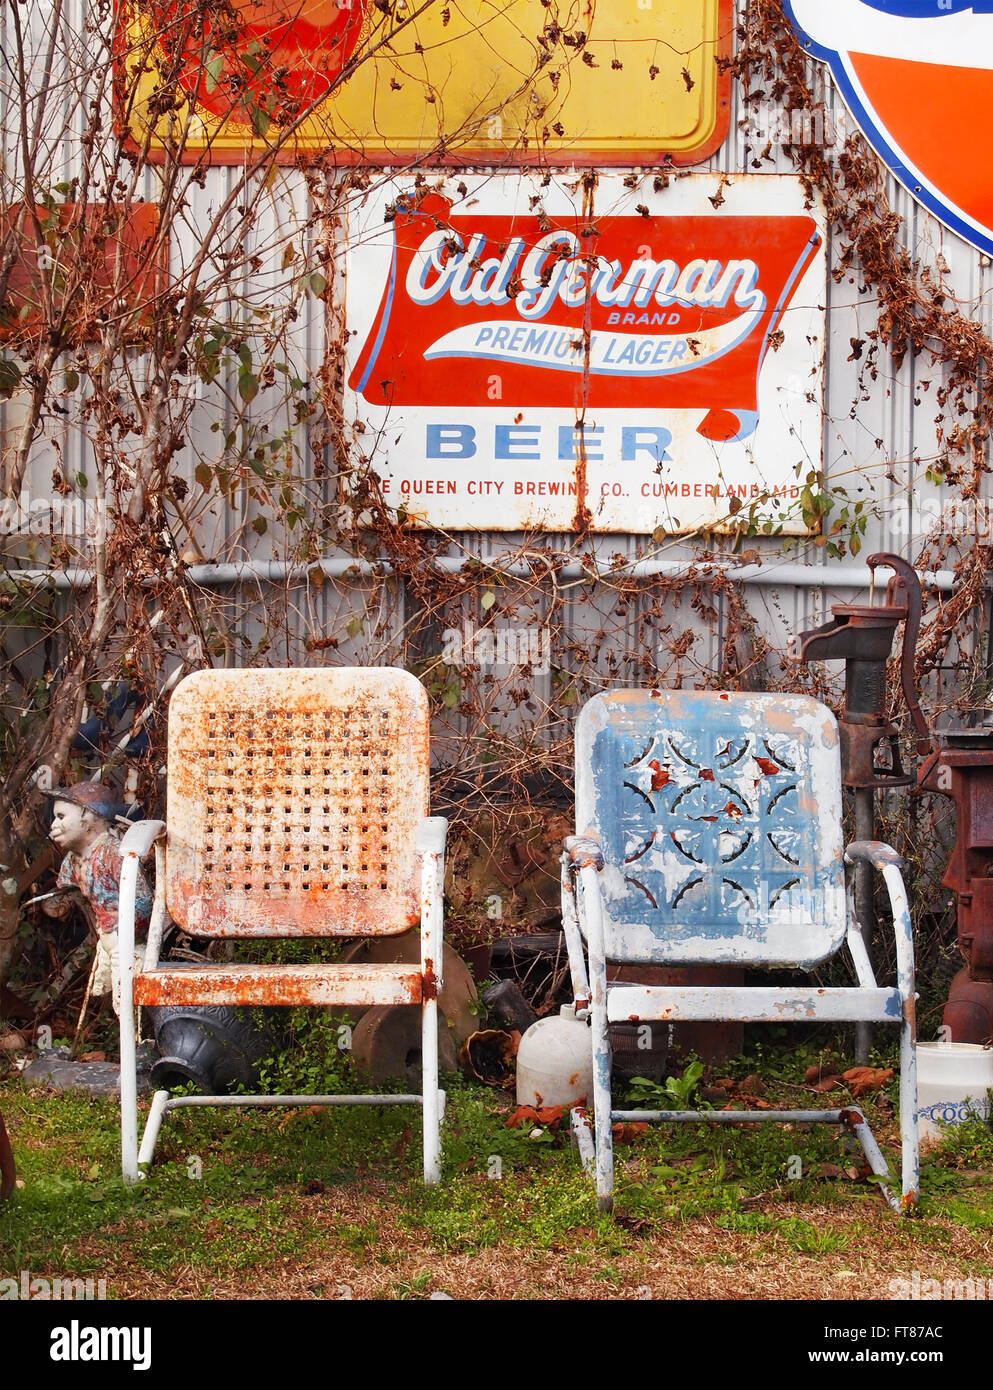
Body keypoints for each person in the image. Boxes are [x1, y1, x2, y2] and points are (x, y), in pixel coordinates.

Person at [43, 782, 152, 1016]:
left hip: (126, 940)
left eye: (61, 816)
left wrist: (125, 932)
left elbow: (142, 899)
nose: (54, 826)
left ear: (88, 817)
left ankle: (139, 1043)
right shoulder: (74, 859)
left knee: (129, 997)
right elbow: (64, 893)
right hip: (106, 937)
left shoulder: (113, 853)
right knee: (102, 990)